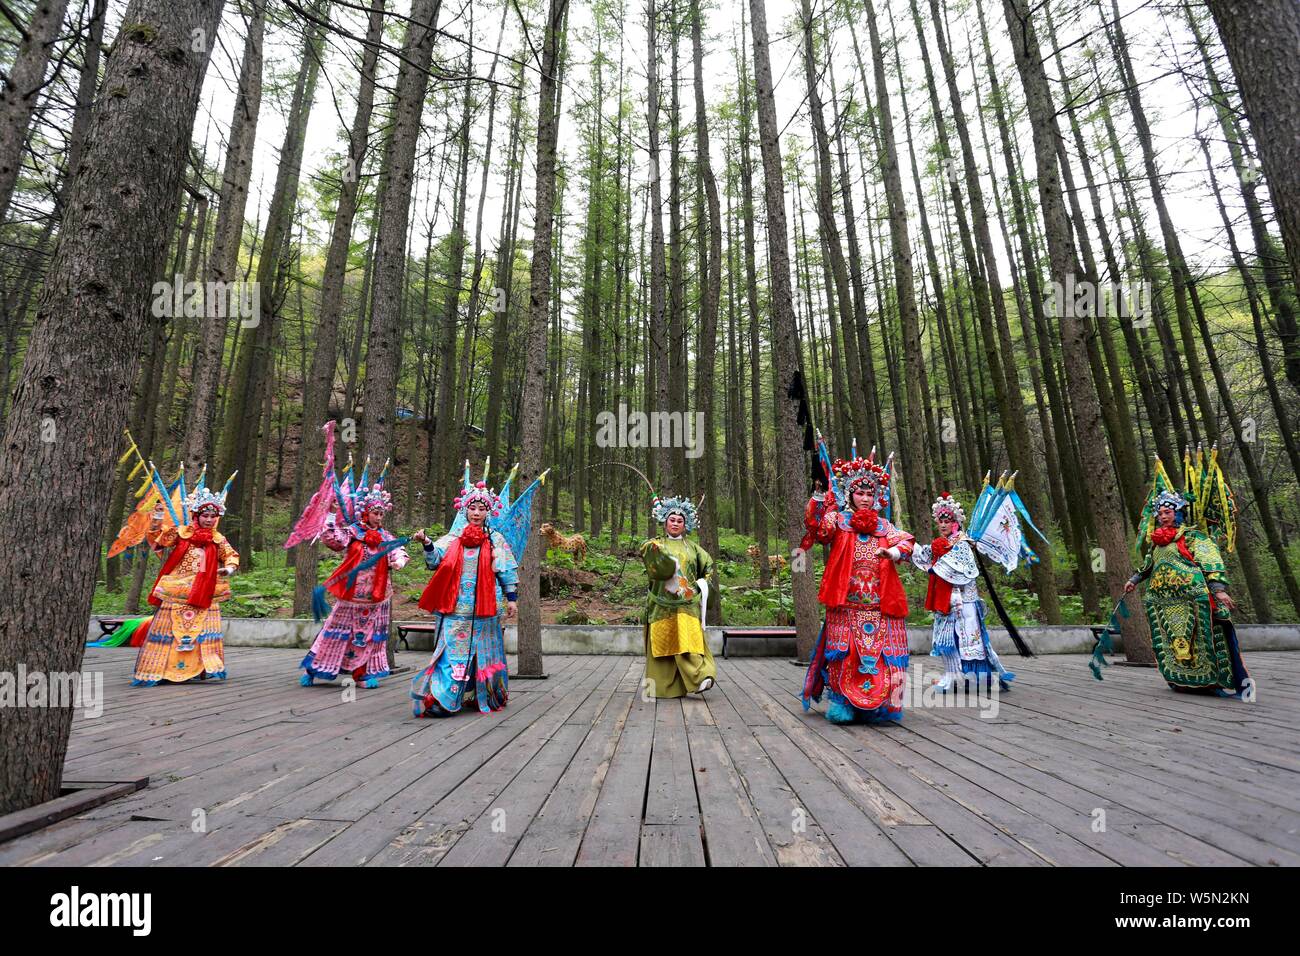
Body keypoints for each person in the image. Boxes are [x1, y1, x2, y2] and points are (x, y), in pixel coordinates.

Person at [1125, 449, 1249, 698]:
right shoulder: (1156, 544)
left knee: (1205, 639)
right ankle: (1181, 681)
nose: (1163, 517)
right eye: (1160, 514)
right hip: (1165, 603)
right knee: (1174, 642)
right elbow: (1149, 565)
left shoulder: (1192, 537)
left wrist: (1218, 589)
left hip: (1196, 601)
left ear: (1177, 513)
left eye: (1167, 513)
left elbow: (1209, 561)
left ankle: (1214, 682)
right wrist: (1134, 580)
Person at [802, 450, 914, 723]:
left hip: (880, 603)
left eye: (869, 494)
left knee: (880, 655)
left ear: (876, 497)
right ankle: (844, 704)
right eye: (860, 493)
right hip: (846, 602)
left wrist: (894, 553)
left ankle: (878, 704)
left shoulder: (885, 525)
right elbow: (818, 532)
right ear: (850, 494)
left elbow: (907, 543)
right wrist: (818, 499)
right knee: (845, 654)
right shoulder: (838, 521)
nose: (865, 498)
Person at [410, 480, 517, 716]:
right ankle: (444, 700)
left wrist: (511, 598)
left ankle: (485, 694)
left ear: (488, 511)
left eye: (481, 509)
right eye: (472, 508)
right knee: (452, 656)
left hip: (485, 611)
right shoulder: (452, 539)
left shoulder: (495, 540)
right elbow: (434, 561)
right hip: (455, 608)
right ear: (465, 510)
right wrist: (427, 543)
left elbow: (506, 571)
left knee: (483, 656)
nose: (476, 513)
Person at [299, 484, 409, 689]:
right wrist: (331, 513)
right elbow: (334, 540)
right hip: (352, 594)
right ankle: (313, 668)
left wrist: (398, 562)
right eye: (375, 513)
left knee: (368, 636)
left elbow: (398, 550)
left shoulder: (385, 536)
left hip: (377, 596)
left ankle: (362, 674)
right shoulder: (353, 532)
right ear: (366, 513)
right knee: (334, 630)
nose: (379, 518)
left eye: (381, 514)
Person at [131, 483, 239, 686]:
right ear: (196, 516)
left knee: (203, 631)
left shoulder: (218, 539)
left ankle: (201, 667)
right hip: (177, 591)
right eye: (205, 516)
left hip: (205, 590)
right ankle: (159, 668)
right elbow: (158, 540)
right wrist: (156, 519)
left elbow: (231, 555)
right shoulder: (181, 533)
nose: (208, 520)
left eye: (212, 516)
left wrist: (229, 568)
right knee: (169, 630)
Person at [911, 493, 1014, 693]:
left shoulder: (963, 542)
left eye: (947, 521)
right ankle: (952, 676)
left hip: (964, 600)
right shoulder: (940, 543)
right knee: (945, 642)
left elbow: (962, 568)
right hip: (945, 601)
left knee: (969, 639)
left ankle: (975, 678)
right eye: (940, 521)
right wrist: (907, 545)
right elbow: (924, 557)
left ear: (955, 522)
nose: (943, 525)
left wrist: (938, 566)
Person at [640, 495, 716, 698]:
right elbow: (649, 558)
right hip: (661, 606)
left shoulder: (694, 549)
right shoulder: (655, 544)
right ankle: (663, 688)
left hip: (686, 606)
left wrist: (700, 587)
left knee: (687, 643)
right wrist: (661, 560)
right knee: (663, 645)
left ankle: (700, 677)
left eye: (679, 521)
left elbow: (708, 569)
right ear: (665, 521)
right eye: (672, 520)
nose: (675, 523)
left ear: (685, 524)